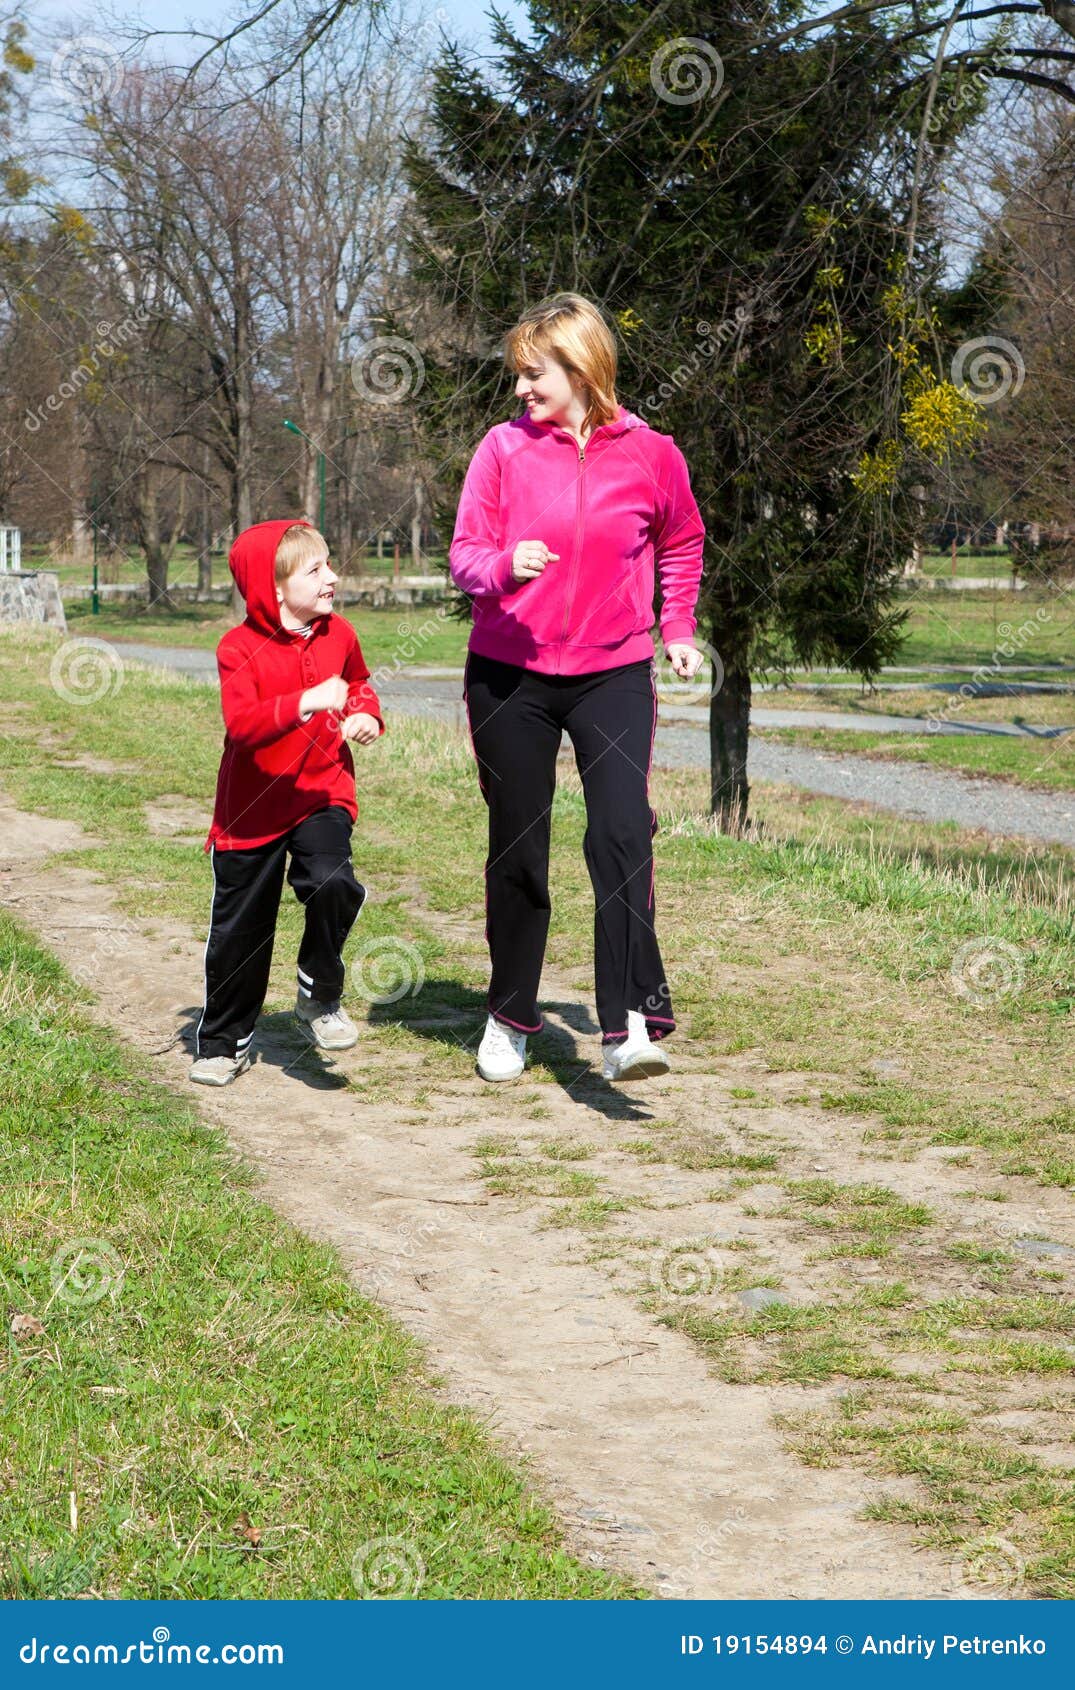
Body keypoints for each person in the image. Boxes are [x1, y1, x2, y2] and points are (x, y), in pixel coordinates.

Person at [449, 292, 705, 1085]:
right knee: (519, 847)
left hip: (613, 672)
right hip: (509, 674)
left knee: (622, 834)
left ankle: (626, 1025)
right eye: (518, 375)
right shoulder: (502, 449)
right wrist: (503, 567)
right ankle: (509, 1017)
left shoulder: (652, 454)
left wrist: (678, 628)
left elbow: (681, 540)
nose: (520, 389)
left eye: (534, 374)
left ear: (582, 368)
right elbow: (464, 555)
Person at [190, 519, 384, 1086]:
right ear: (273, 588)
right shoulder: (236, 648)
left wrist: (366, 715)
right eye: (315, 569)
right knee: (241, 931)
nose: (332, 577)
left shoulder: (340, 633)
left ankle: (318, 995)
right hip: (250, 810)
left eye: (330, 565)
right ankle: (223, 1043)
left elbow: (358, 683)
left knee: (333, 883)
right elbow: (243, 725)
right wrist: (307, 700)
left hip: (322, 791)